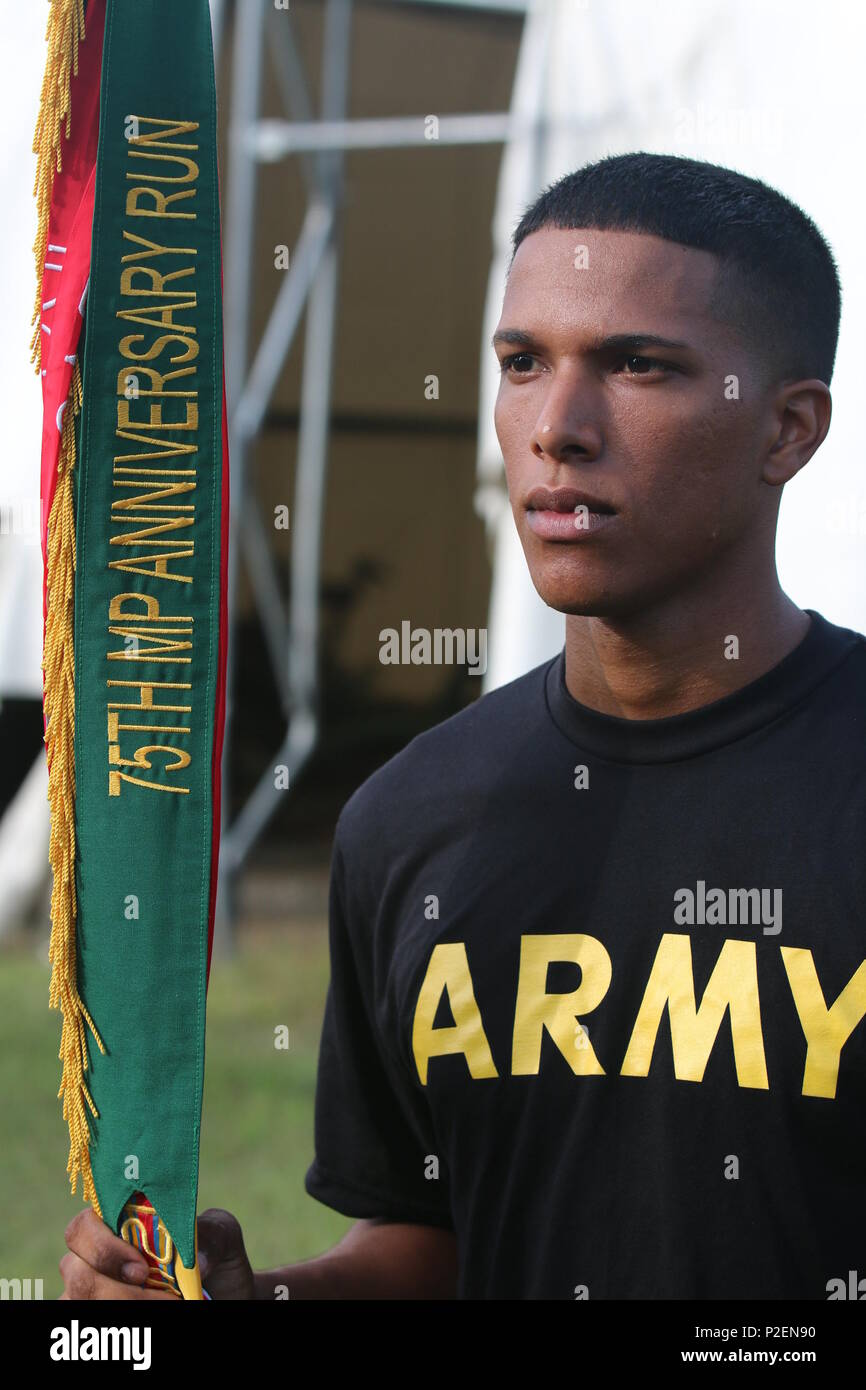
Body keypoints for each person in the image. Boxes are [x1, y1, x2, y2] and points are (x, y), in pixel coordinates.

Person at [61, 151, 866, 1301]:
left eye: (636, 365)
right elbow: (429, 1239)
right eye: (521, 362)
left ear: (784, 432)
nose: (557, 426)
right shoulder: (411, 818)